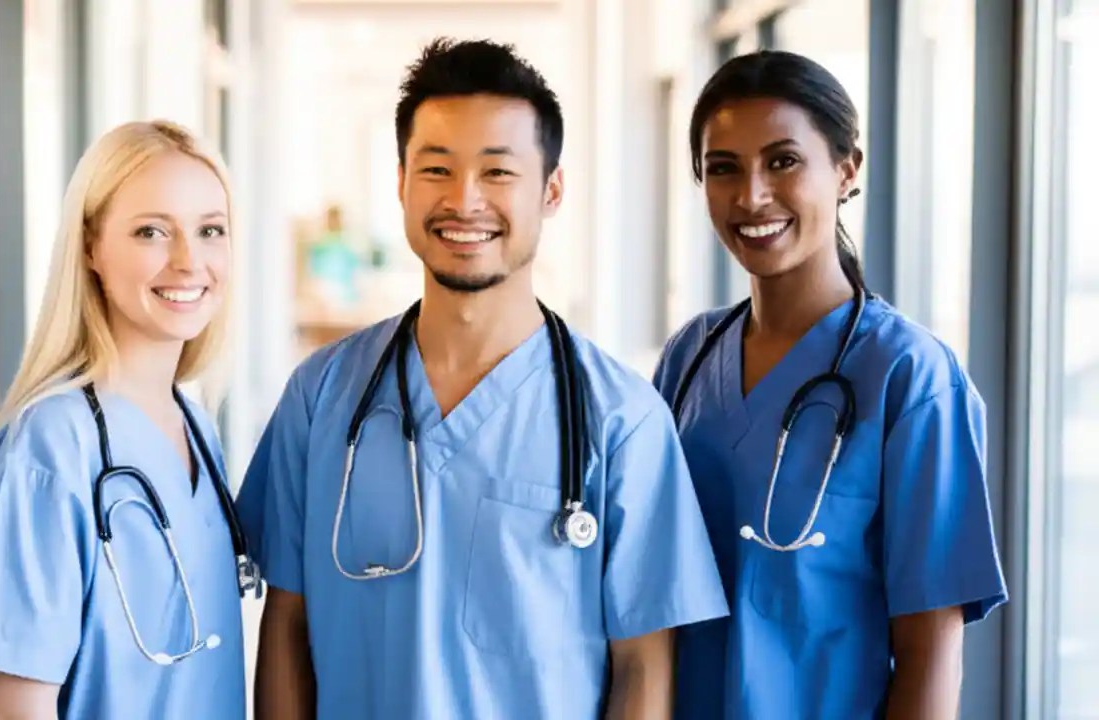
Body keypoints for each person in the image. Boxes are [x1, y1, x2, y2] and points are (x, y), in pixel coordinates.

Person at [239, 38, 727, 719]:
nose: (464, 201)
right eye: (436, 169)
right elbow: (286, 627)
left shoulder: (622, 419)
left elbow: (643, 664)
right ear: (402, 183)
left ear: (551, 191)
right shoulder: (321, 398)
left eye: (498, 173)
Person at [652, 50, 1008, 719]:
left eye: (783, 161)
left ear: (847, 170)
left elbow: (933, 653)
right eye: (723, 168)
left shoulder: (909, 375)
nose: (750, 195)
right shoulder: (689, 360)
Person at [0, 120, 254, 719]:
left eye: (209, 230)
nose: (189, 260)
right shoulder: (53, 445)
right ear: (91, 247)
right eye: (151, 232)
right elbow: (17, 706)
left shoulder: (198, 431)